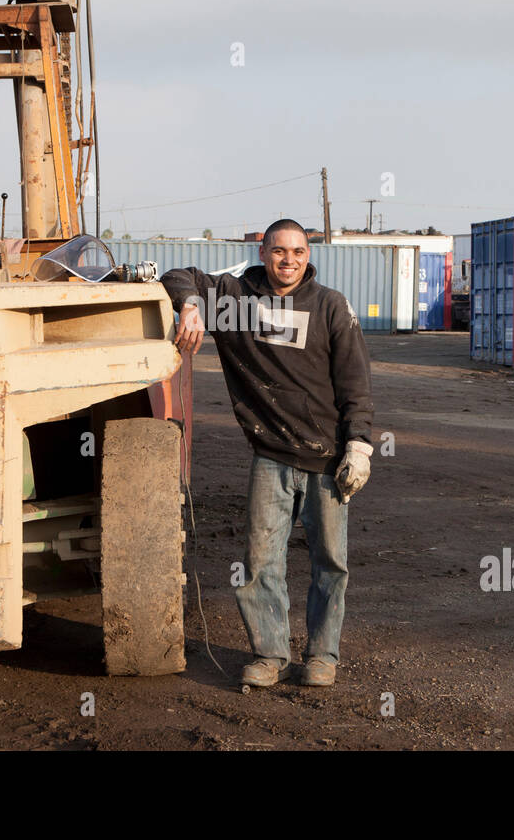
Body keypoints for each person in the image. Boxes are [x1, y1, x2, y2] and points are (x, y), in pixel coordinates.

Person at [161, 219, 374, 687]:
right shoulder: (237, 301)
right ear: (263, 253)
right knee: (260, 564)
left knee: (330, 564)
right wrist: (192, 308)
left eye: (298, 252)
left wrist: (359, 445)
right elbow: (178, 275)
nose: (289, 260)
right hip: (271, 457)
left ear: (308, 254)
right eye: (279, 251)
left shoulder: (331, 306)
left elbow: (356, 382)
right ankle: (269, 656)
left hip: (326, 458)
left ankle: (321, 657)